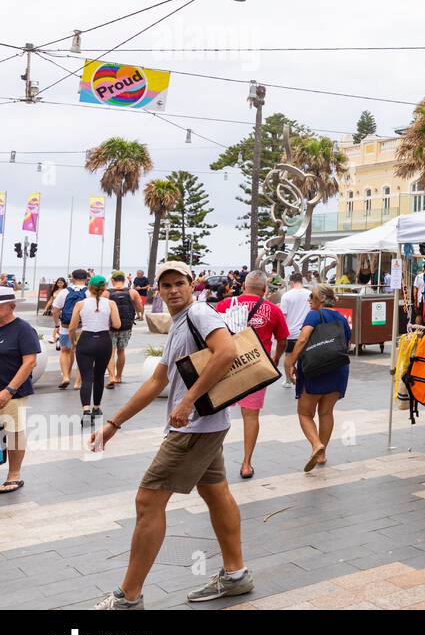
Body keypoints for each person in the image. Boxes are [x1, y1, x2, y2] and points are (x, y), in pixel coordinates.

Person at [91, 261, 251, 609]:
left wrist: (188, 401)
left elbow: (227, 352)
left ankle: (128, 597)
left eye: (180, 283)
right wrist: (114, 424)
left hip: (193, 427)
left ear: (192, 286)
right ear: (158, 292)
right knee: (216, 494)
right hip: (206, 424)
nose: (174, 290)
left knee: (148, 502)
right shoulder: (179, 324)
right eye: (167, 286)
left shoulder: (200, 314)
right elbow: (156, 381)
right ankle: (236, 575)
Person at [214, 271, 288, 479]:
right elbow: (283, 340)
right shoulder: (273, 309)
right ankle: (246, 464)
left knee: (219, 413)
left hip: (226, 365)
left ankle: (213, 460)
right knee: (251, 415)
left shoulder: (224, 305)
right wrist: (275, 358)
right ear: (265, 289)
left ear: (243, 286)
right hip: (256, 367)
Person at [284, 285, 350, 472]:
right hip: (338, 369)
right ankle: (322, 453)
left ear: (320, 299)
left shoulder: (314, 314)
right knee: (326, 413)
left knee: (305, 413)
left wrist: (290, 362)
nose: (309, 300)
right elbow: (347, 343)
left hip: (315, 369)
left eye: (311, 297)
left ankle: (316, 445)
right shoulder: (341, 318)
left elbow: (303, 339)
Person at [0, 285, 40, 494]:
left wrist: (9, 390)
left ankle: (14, 474)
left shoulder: (23, 329)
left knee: (13, 431)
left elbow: (30, 362)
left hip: (12, 391)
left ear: (12, 306)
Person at [68, 275, 121, 424]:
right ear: (104, 287)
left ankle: (86, 410)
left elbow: (72, 327)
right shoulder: (111, 304)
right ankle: (97, 407)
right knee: (99, 376)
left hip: (85, 340)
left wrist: (74, 342)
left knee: (86, 377)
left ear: (89, 287)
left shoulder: (80, 304)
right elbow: (117, 325)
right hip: (104, 341)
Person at [107, 273, 144, 389]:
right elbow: (139, 307)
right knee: (121, 351)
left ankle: (111, 377)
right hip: (126, 326)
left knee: (111, 352)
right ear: (123, 280)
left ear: (113, 280)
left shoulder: (106, 293)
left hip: (111, 326)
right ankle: (119, 376)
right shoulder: (132, 292)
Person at [53, 270, 89, 389]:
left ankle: (66, 377)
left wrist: (57, 324)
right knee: (81, 354)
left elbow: (56, 309)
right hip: (83, 327)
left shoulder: (64, 292)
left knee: (65, 351)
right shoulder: (89, 292)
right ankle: (78, 382)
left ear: (72, 278)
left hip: (66, 326)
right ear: (87, 278)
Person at [279, 272, 312, 388]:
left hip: (291, 332)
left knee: (288, 356)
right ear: (302, 281)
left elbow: (283, 316)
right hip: (307, 331)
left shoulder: (286, 296)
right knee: (306, 356)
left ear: (292, 282)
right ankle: (305, 378)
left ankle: (288, 380)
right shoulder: (310, 294)